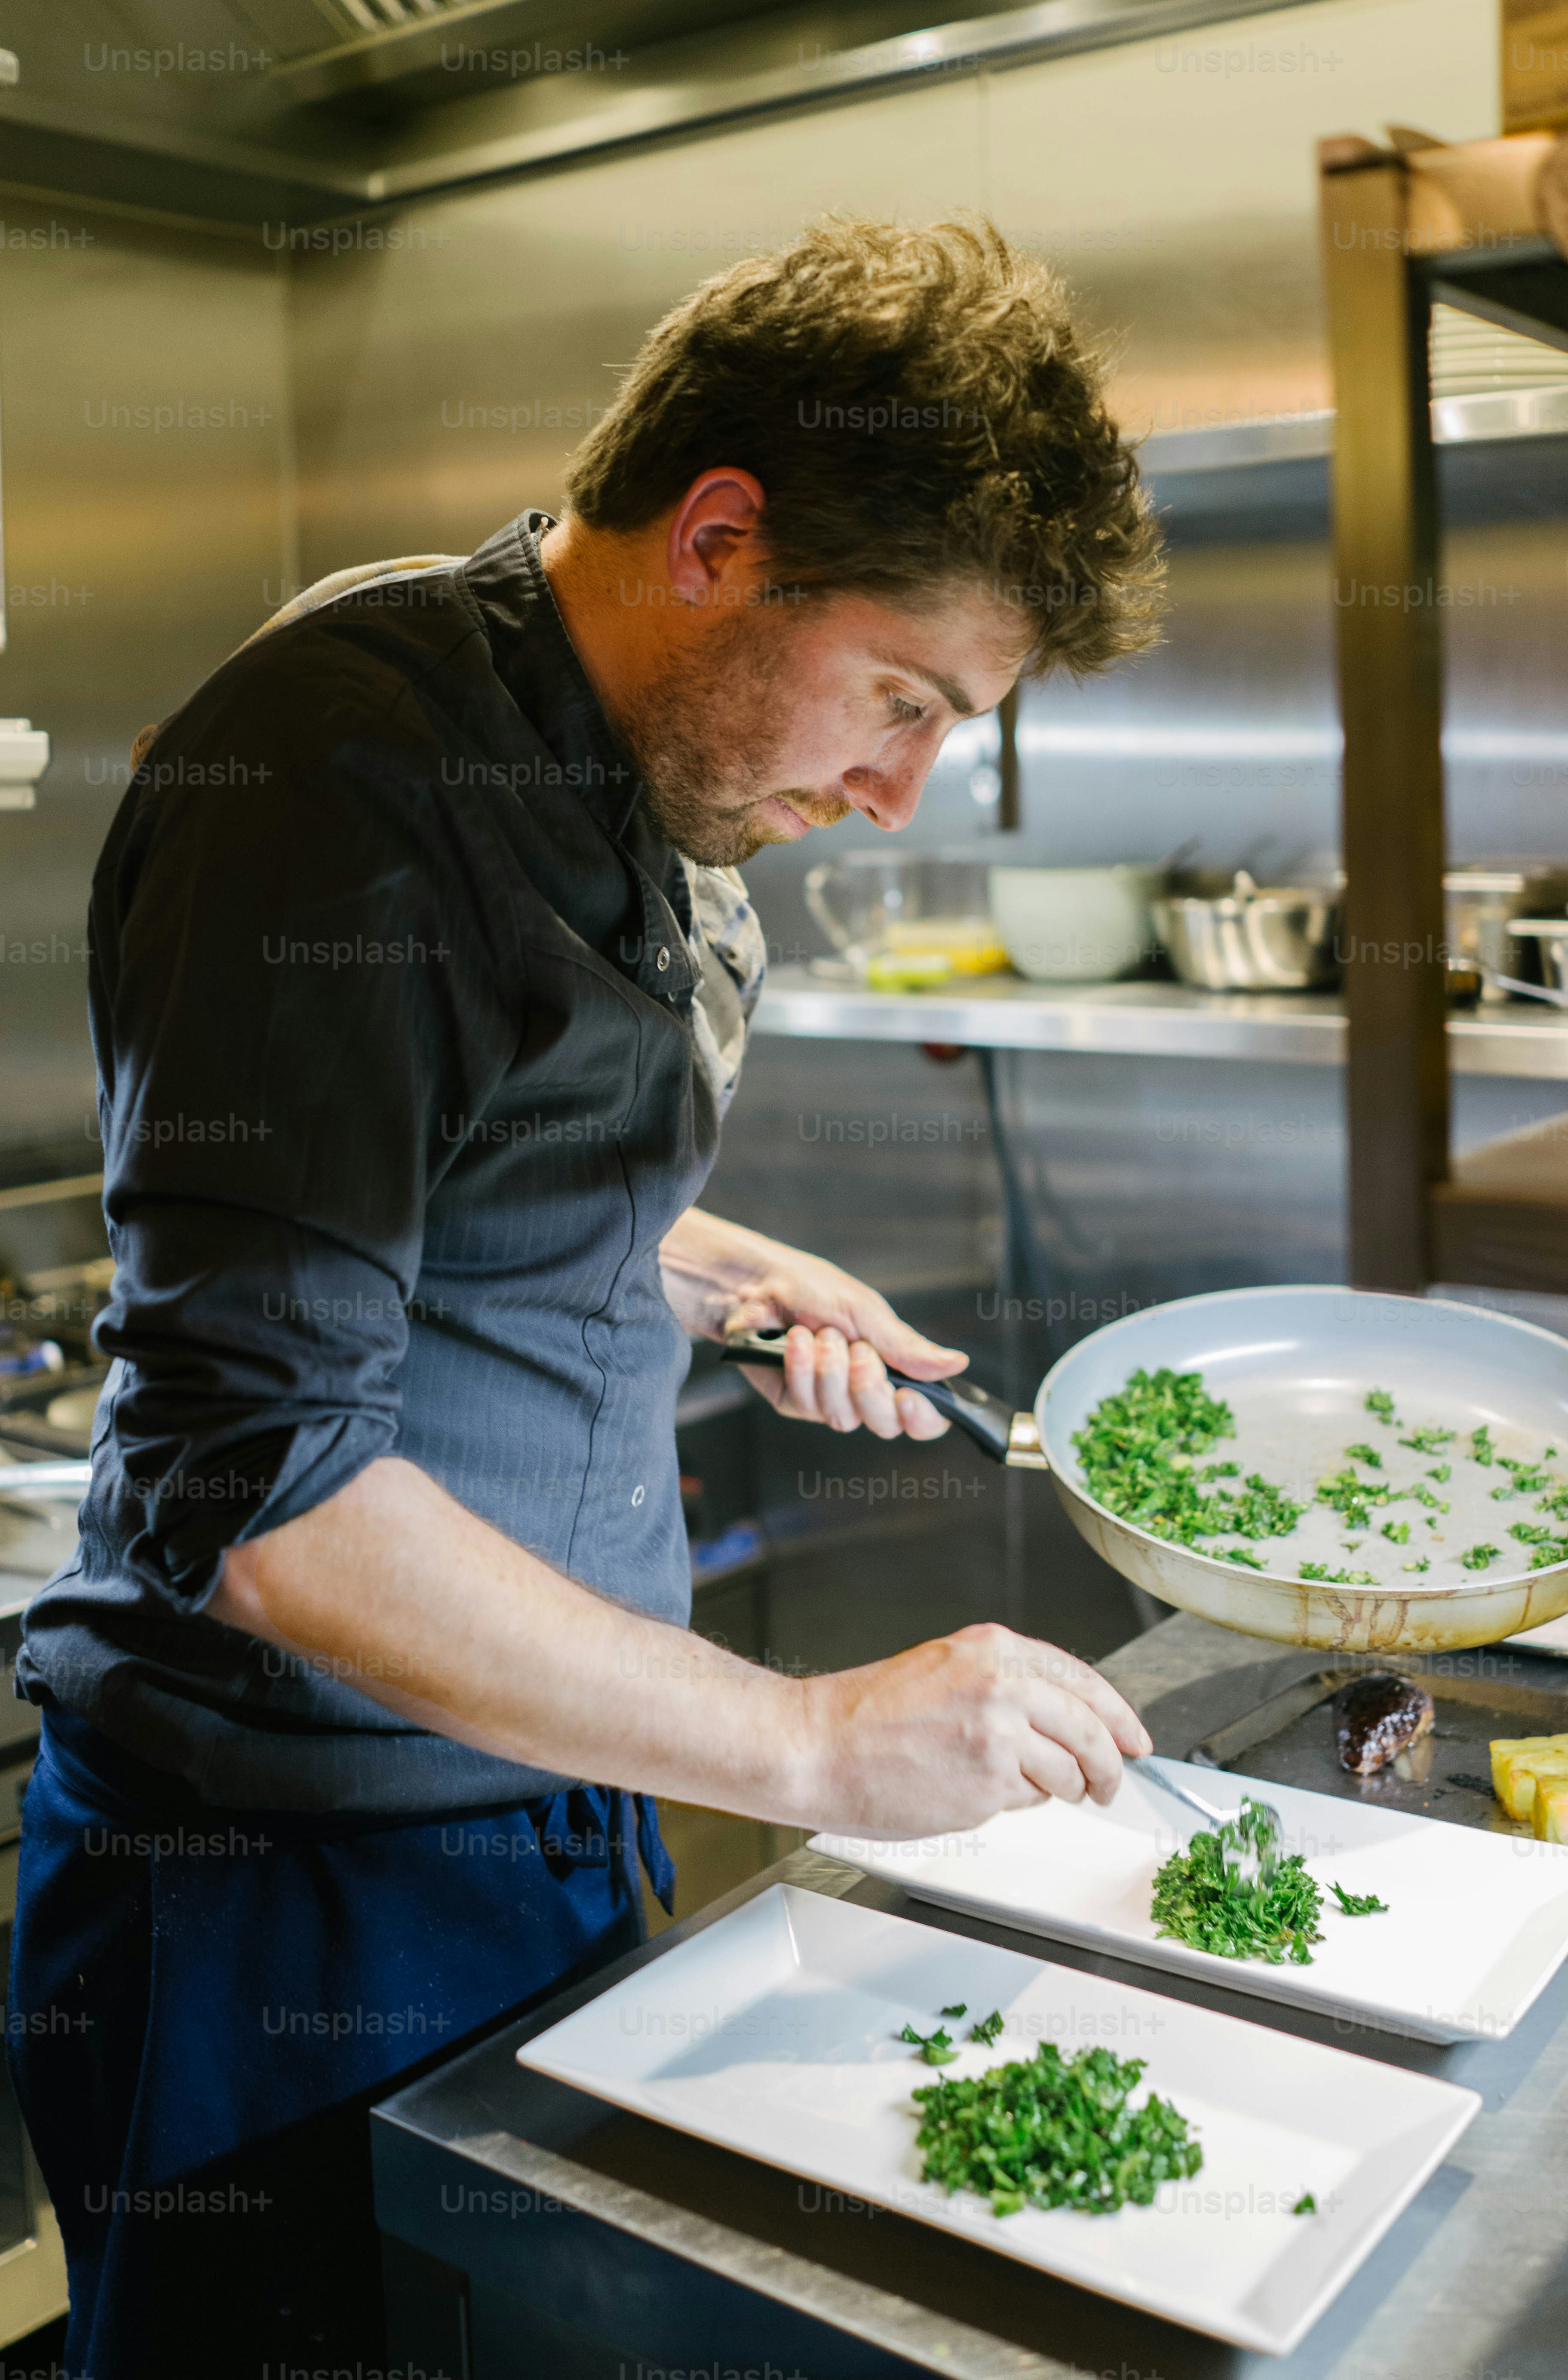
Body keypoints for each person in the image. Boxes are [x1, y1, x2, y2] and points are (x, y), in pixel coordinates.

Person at [9, 216, 1164, 2374]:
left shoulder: (640, 774)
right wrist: (816, 1739)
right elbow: (260, 1490)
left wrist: (713, 1265)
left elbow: (439, 1174)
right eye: (905, 698)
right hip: (282, 1888)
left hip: (540, 1807)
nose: (899, 787)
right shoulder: (346, 787)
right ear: (720, 534)